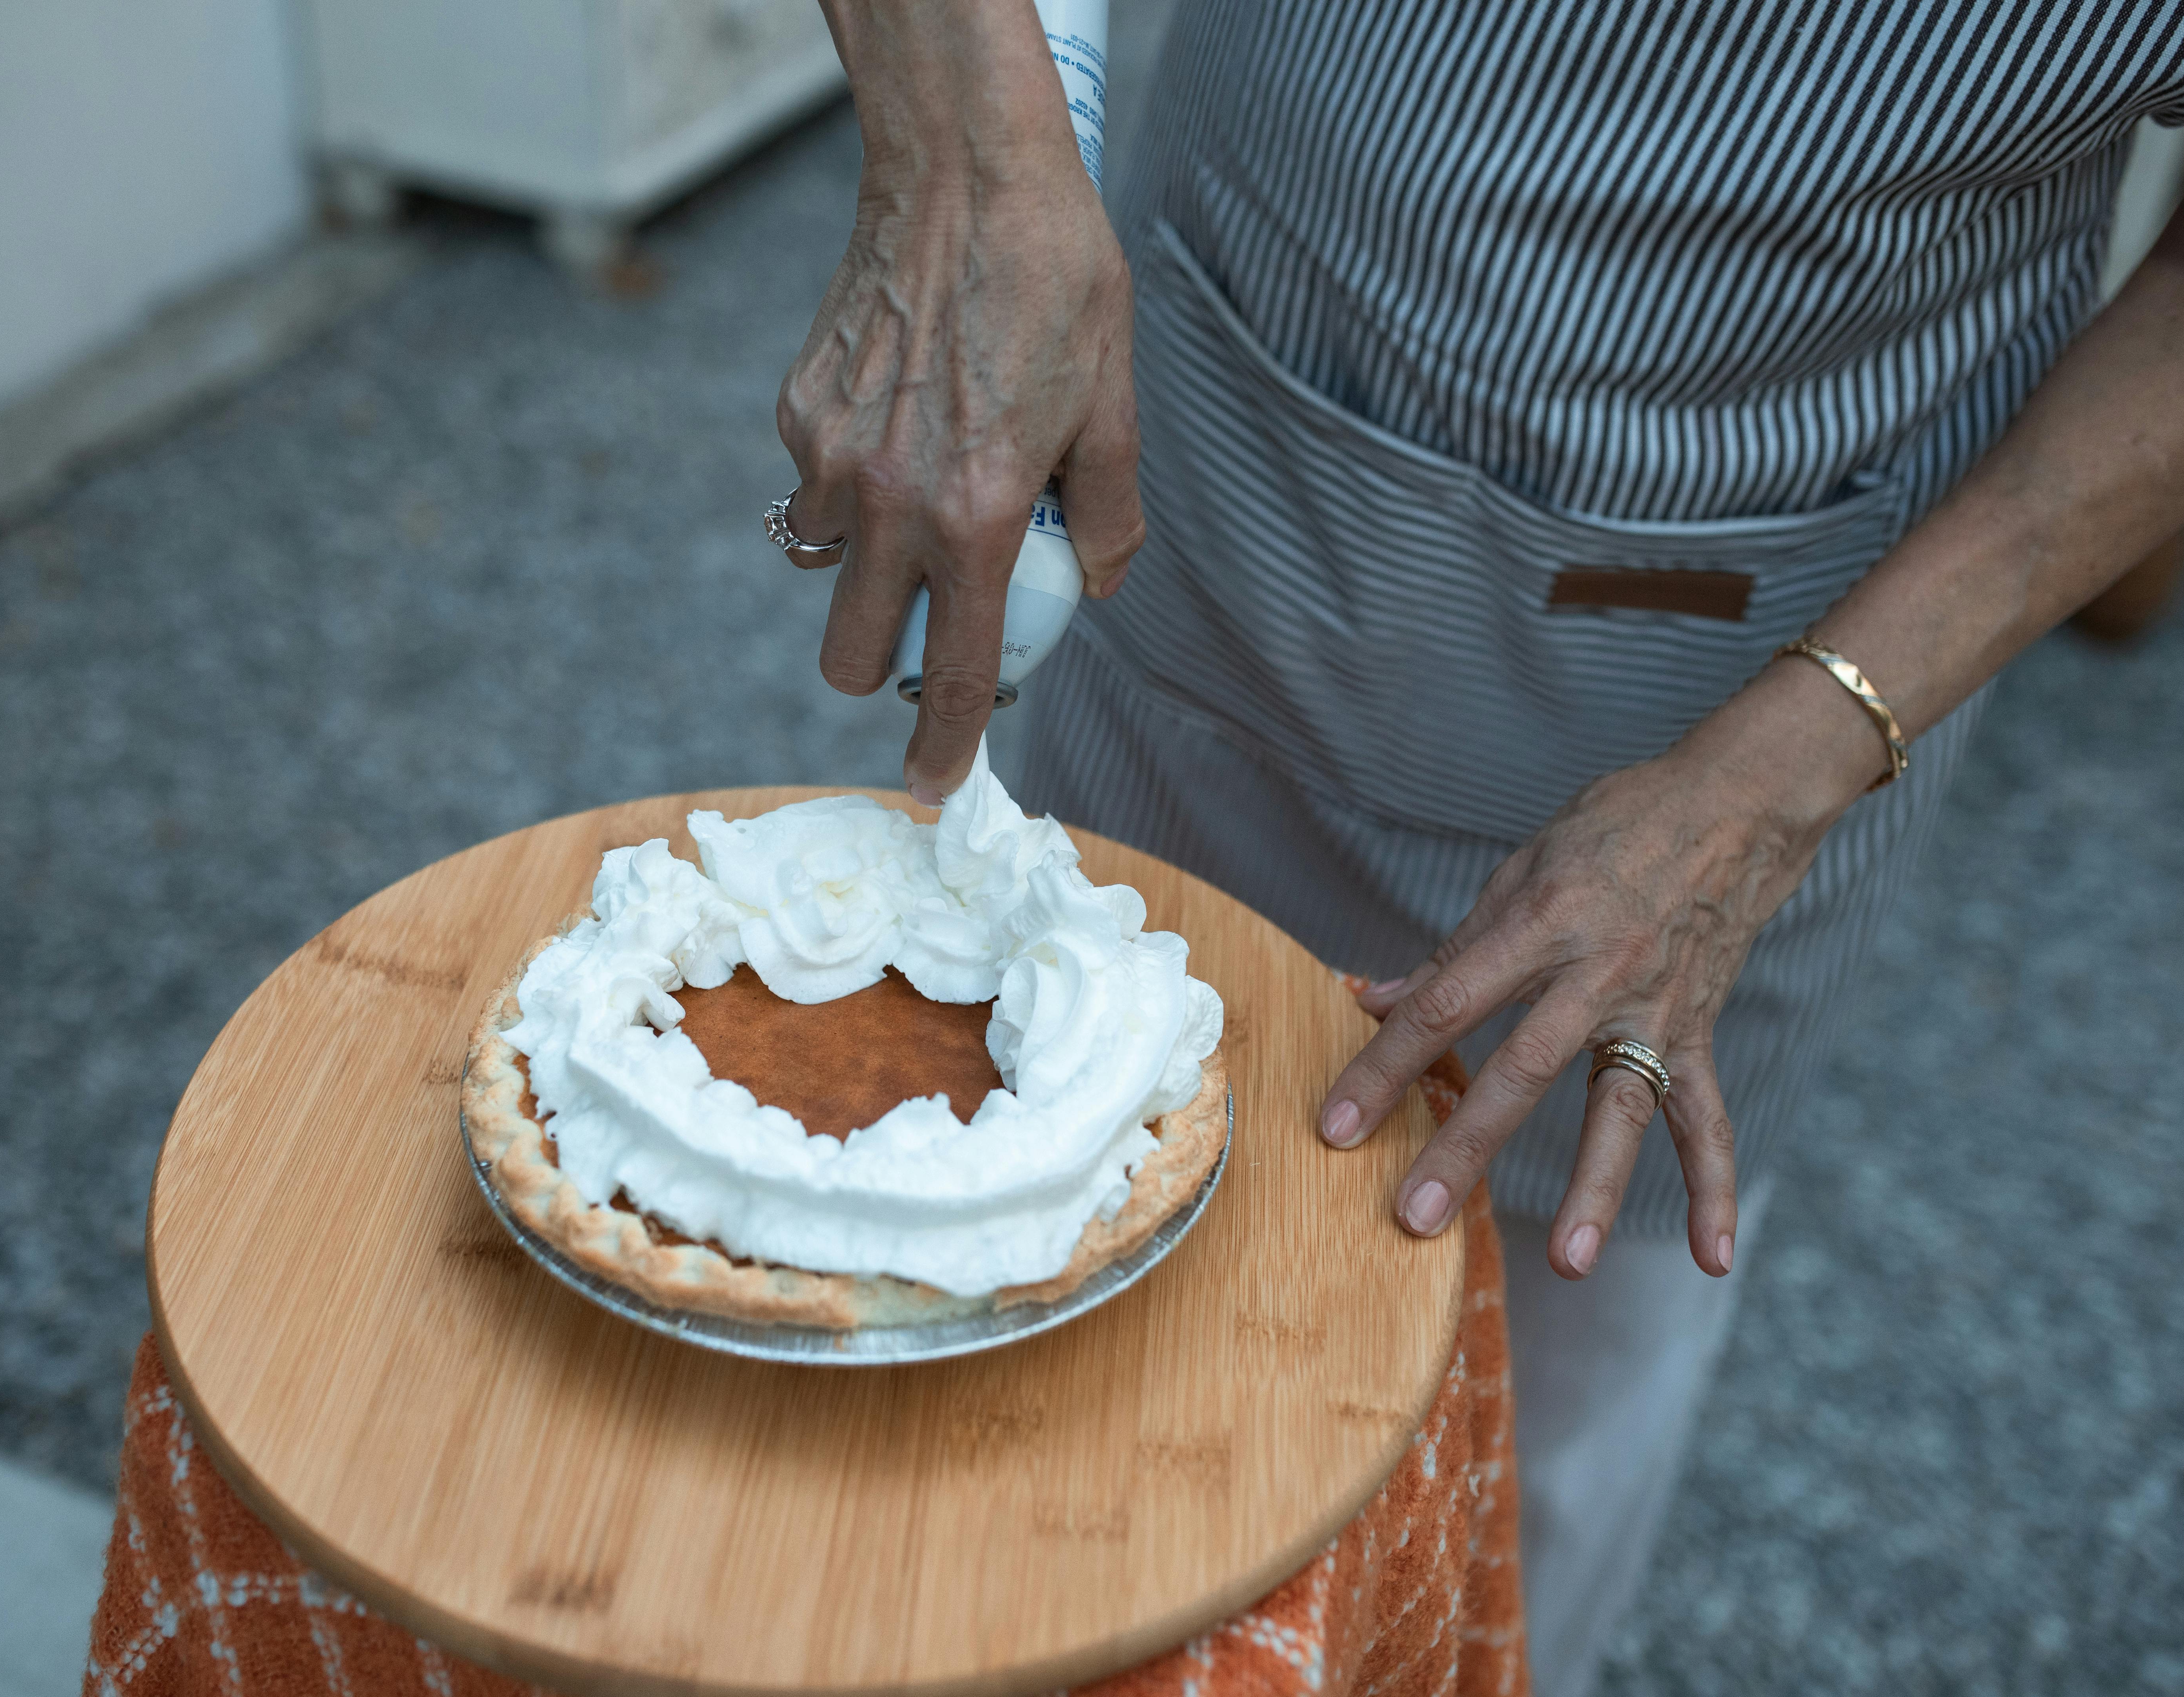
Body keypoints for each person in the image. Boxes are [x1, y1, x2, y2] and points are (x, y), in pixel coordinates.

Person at [766, 3, 2184, 1692]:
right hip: (1226, 425)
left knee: (1519, 1426)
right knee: (1026, 1289)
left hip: (1775, 638)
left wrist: (1792, 756)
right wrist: (970, 165)